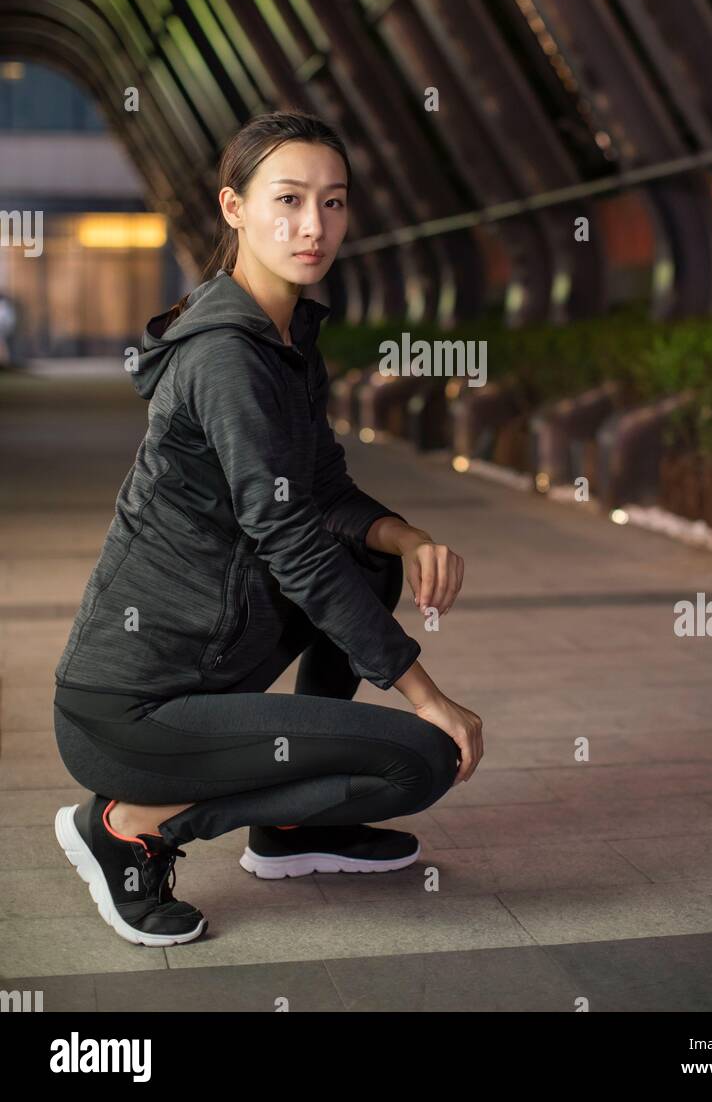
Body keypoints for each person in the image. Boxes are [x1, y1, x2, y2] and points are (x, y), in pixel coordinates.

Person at [53, 109, 483, 948]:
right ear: (233, 208)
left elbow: (321, 489)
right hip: (133, 709)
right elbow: (288, 537)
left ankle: (292, 831)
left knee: (367, 562)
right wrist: (428, 696)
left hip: (208, 662)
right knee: (419, 759)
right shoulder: (226, 356)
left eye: (334, 202)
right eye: (287, 200)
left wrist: (406, 537)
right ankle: (128, 826)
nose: (313, 226)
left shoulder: (282, 333)